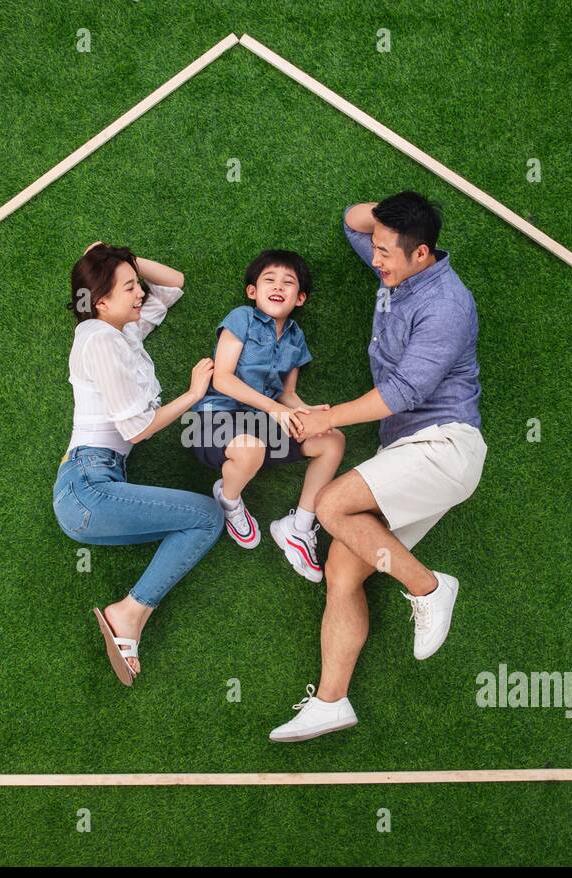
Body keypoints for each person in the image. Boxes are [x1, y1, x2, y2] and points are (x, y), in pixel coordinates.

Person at [268, 192, 488, 741]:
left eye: (387, 251)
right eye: (376, 247)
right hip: (406, 454)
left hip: (444, 446)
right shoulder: (397, 267)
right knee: (343, 572)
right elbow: (351, 219)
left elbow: (403, 392)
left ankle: (430, 588)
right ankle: (331, 702)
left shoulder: (447, 305)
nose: (374, 258)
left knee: (330, 503)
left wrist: (326, 418)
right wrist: (395, 217)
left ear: (423, 255)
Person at [52, 242, 222, 687]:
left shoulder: (118, 332)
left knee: (199, 522)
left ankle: (128, 614)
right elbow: (137, 430)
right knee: (206, 517)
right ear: (101, 300)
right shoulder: (101, 339)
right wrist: (192, 394)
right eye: (129, 287)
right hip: (88, 486)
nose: (140, 292)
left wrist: (116, 255)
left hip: (92, 491)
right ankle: (127, 614)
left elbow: (173, 284)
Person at [185, 250, 345, 582]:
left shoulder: (296, 337)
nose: (278, 286)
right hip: (212, 422)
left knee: (331, 439)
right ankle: (228, 500)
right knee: (250, 448)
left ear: (300, 298)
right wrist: (275, 409)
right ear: (252, 291)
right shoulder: (241, 318)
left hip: (261, 425)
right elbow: (222, 378)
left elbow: (287, 394)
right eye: (269, 280)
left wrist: (307, 411)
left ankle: (298, 528)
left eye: (289, 283)